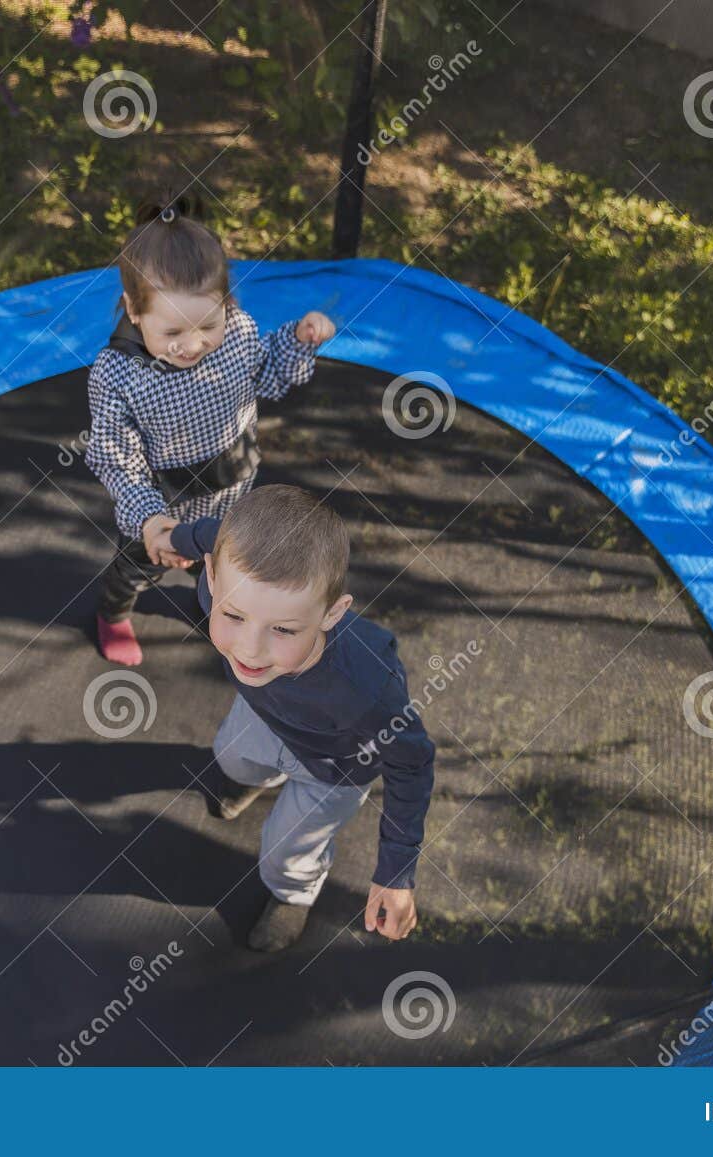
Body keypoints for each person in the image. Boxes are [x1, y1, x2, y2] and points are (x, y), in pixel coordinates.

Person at [156, 484, 436, 951]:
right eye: (235, 616)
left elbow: (412, 763)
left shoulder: (367, 687)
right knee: (231, 757)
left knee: (288, 850)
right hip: (265, 716)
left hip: (333, 769)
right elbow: (209, 534)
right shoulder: (215, 577)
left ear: (332, 613)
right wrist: (173, 539)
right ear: (211, 574)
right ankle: (254, 781)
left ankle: (293, 894)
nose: (249, 649)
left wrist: (396, 872)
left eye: (284, 629)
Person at [85, 197, 334, 666]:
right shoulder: (117, 374)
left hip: (232, 487)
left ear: (227, 305)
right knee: (139, 567)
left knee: (225, 562)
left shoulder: (237, 332)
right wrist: (151, 521)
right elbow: (116, 455)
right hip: (164, 502)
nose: (193, 344)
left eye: (208, 324)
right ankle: (113, 613)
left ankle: (217, 605)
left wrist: (298, 341)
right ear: (134, 312)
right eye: (173, 332)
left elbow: (267, 374)